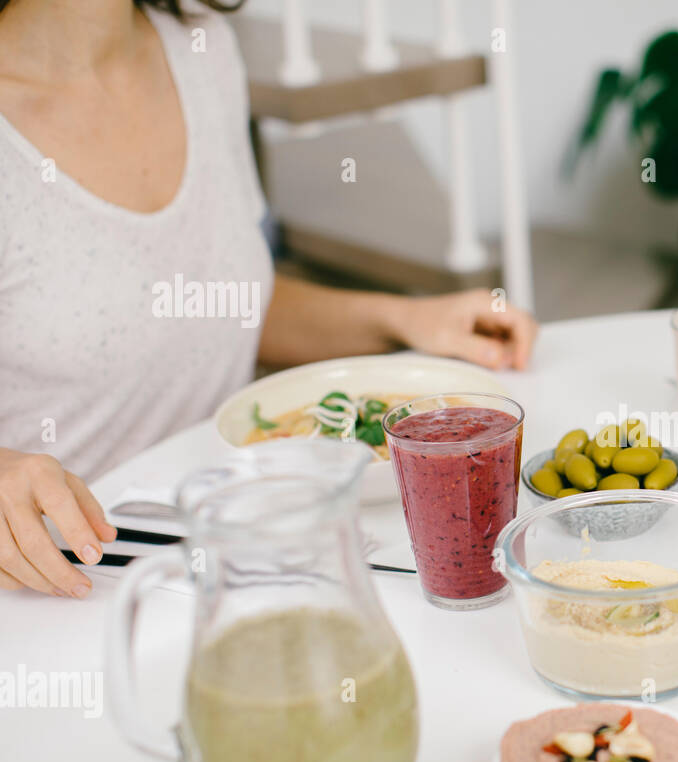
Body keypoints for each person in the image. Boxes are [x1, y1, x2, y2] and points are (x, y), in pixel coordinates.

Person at [0, 0, 537, 598]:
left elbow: (215, 304)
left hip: (236, 546)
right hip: (58, 585)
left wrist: (404, 318)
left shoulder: (200, 49)